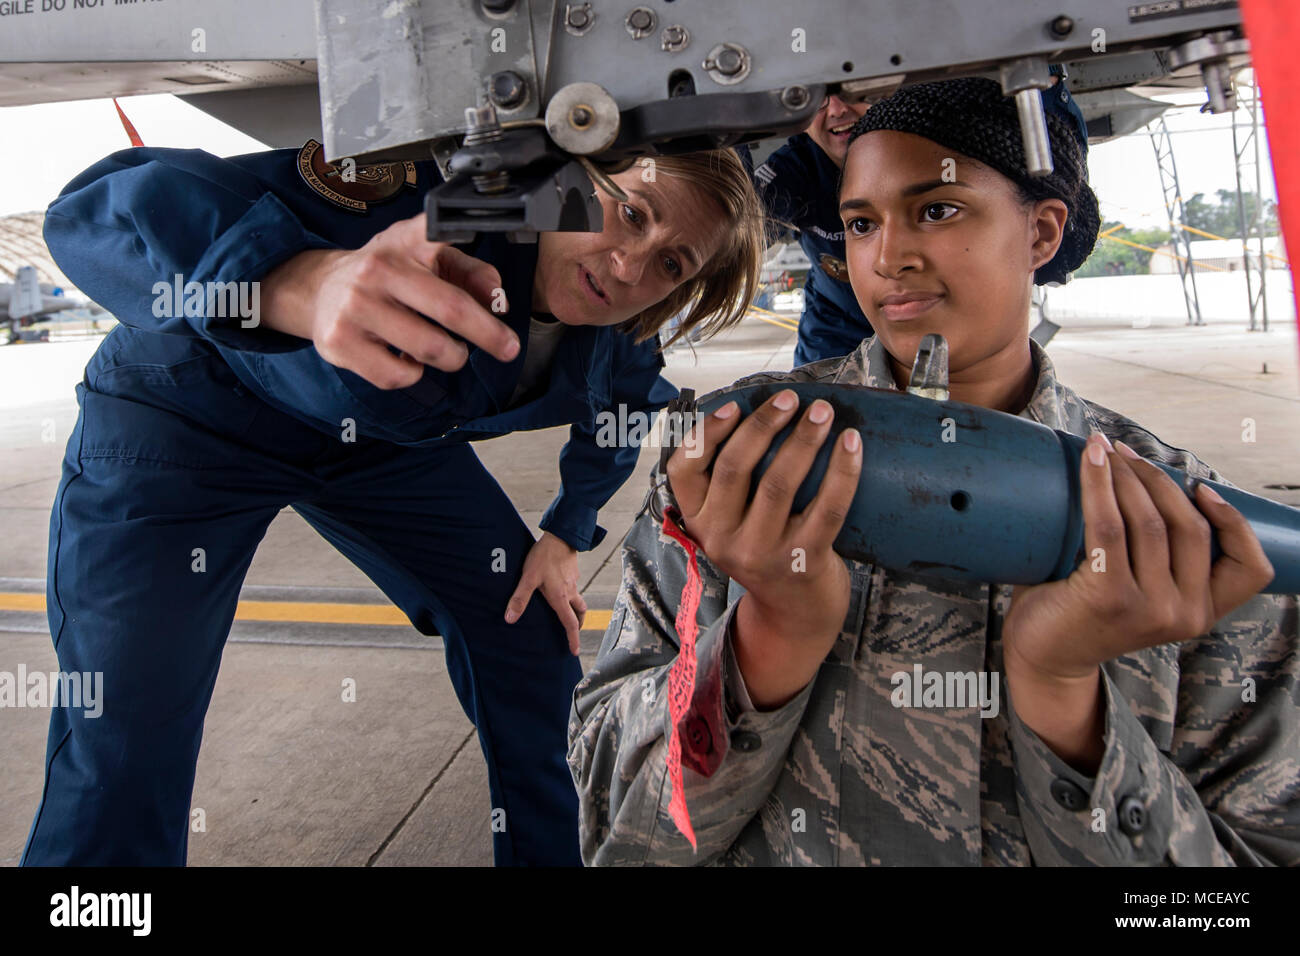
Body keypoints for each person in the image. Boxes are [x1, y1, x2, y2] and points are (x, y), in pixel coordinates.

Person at [568, 77, 1300, 866]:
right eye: (859, 223)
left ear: (1042, 233)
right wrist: (763, 643)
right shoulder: (736, 459)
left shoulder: (1182, 530)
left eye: (938, 209)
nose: (887, 258)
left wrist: (1063, 698)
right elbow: (621, 833)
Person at [22, 138, 762, 866]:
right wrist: (295, 281)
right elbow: (99, 204)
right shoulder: (431, 197)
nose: (630, 266)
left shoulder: (617, 331)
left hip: (375, 445)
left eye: (672, 263)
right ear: (572, 176)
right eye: (630, 213)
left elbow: (615, 417)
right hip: (190, 410)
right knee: (127, 717)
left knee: (533, 642)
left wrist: (565, 533)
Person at [745, 70, 1088, 368]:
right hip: (837, 331)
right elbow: (740, 231)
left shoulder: (954, 133)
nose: (836, 108)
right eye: (861, 224)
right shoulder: (797, 168)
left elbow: (1060, 178)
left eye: (936, 211)